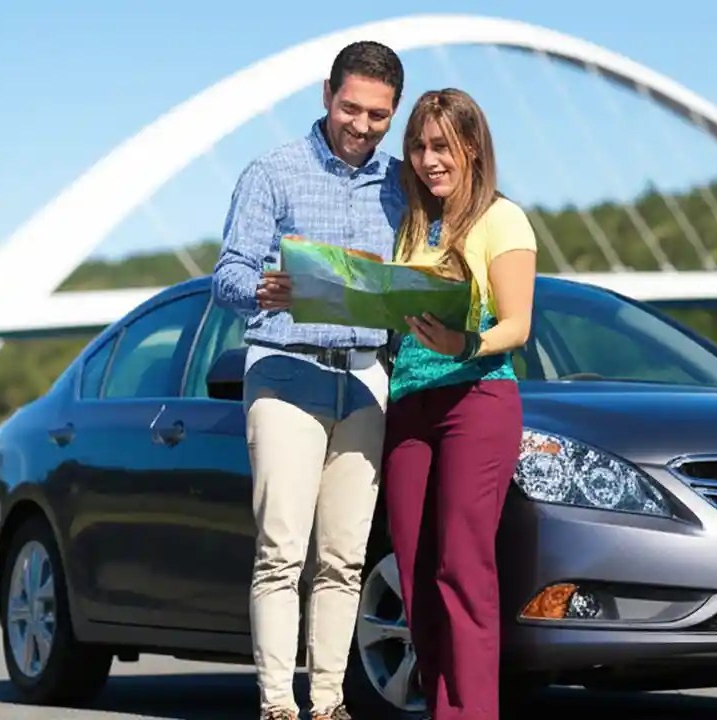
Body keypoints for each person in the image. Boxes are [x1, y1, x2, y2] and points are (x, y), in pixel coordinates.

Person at [210, 40, 406, 720]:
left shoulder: (401, 186)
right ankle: (276, 705)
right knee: (281, 551)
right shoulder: (273, 173)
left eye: (378, 115)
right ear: (327, 95)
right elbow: (227, 275)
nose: (361, 124)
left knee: (344, 557)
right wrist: (268, 290)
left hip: (365, 380)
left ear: (393, 113)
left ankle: (328, 704)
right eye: (351, 107)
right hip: (286, 370)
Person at [381, 88, 538, 720]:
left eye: (441, 146)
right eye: (418, 147)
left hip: (477, 400)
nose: (427, 159)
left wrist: (463, 340)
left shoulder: (504, 220)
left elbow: (519, 324)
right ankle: (442, 706)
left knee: (460, 568)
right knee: (416, 576)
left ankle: (470, 713)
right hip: (410, 406)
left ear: (471, 146)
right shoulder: (414, 225)